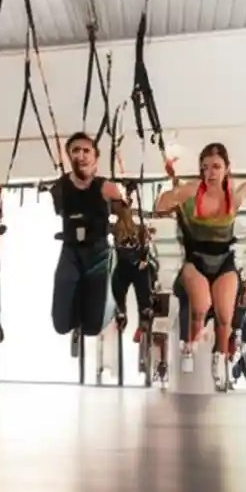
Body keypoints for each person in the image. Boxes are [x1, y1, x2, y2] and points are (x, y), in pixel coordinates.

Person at [155, 142, 246, 387]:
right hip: (195, 261)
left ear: (226, 169)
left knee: (225, 316)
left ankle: (219, 358)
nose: (210, 172)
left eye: (216, 167)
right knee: (201, 307)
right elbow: (160, 206)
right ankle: (189, 343)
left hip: (223, 261)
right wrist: (174, 193)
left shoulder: (234, 197)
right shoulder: (192, 192)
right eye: (206, 167)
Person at [47, 132, 129, 356]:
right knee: (60, 324)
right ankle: (74, 323)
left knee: (93, 327)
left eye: (86, 151)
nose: (81, 155)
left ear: (95, 158)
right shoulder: (60, 188)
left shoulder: (107, 188)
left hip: (98, 253)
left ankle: (110, 311)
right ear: (69, 156)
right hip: (71, 252)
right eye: (75, 151)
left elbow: (125, 218)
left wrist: (123, 216)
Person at [110, 186, 157, 343]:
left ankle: (142, 317)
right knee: (118, 286)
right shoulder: (116, 228)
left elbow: (146, 242)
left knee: (144, 289)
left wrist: (145, 251)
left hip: (138, 266)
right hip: (124, 267)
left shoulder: (139, 228)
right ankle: (122, 313)